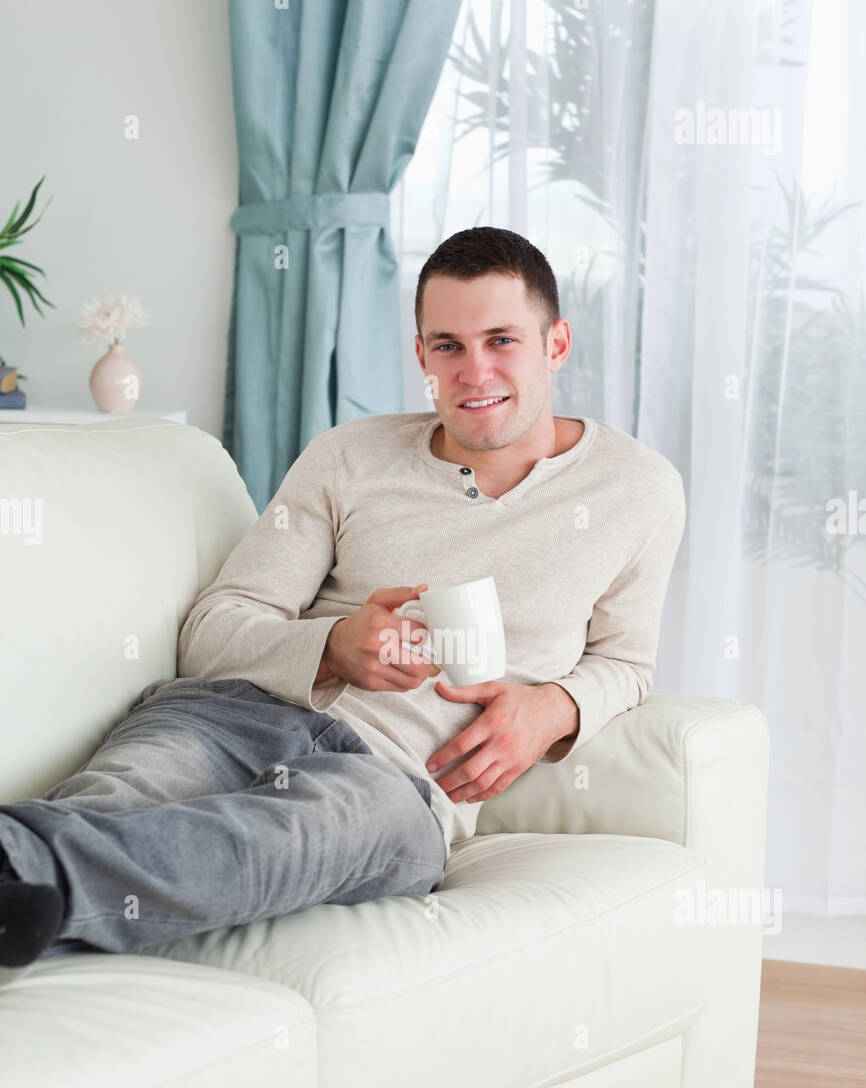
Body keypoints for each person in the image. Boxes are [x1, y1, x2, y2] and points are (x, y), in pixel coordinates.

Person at [0, 226, 685, 981]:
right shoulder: (347, 456)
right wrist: (330, 647)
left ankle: (30, 877)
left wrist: (553, 709)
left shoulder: (637, 491)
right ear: (421, 357)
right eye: (448, 346)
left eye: (501, 340)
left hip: (396, 782)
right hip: (233, 715)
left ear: (555, 344)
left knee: (301, 832)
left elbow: (626, 660)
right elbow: (212, 628)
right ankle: (22, 878)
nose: (475, 370)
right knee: (115, 800)